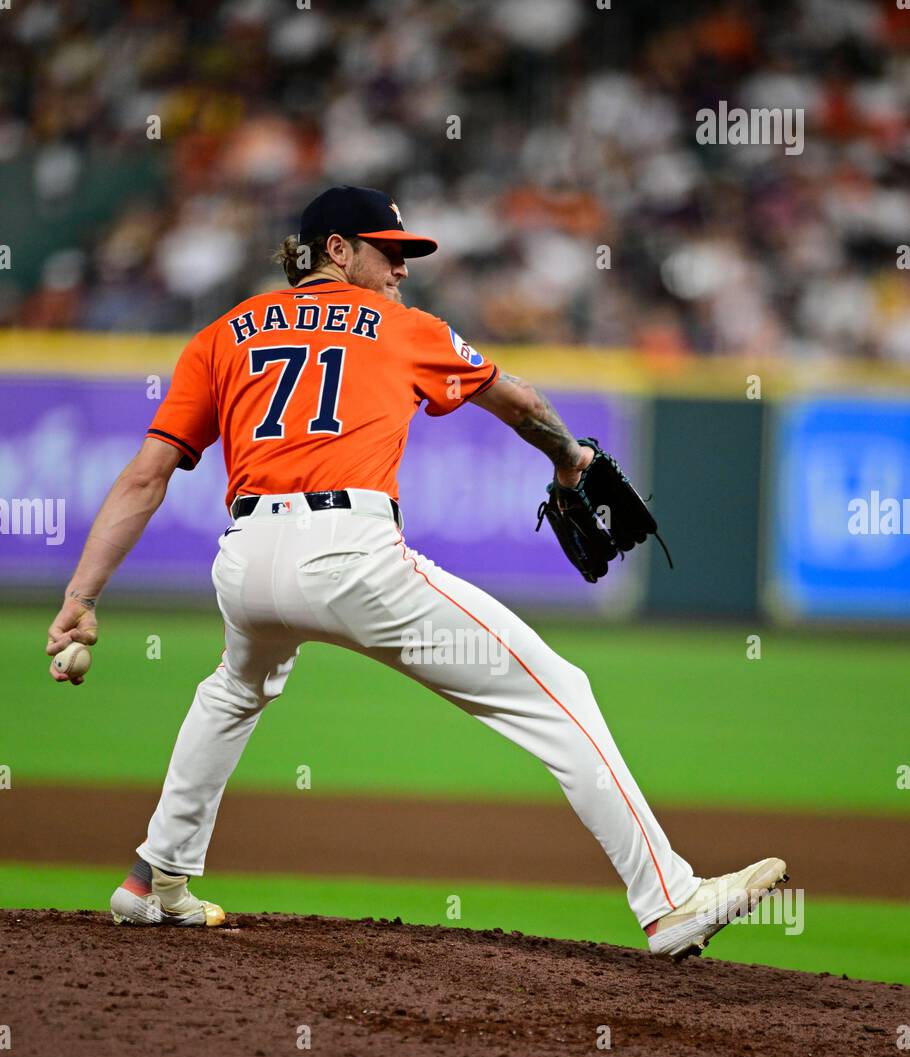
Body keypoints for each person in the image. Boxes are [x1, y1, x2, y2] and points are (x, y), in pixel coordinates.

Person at [46, 185, 785, 959]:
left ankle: (153, 879)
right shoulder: (399, 327)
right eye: (389, 252)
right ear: (337, 250)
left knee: (235, 687)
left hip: (244, 562)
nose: (401, 270)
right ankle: (671, 900)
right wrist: (572, 459)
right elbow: (520, 402)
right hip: (350, 558)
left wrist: (80, 598)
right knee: (559, 690)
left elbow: (145, 476)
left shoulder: (221, 335)